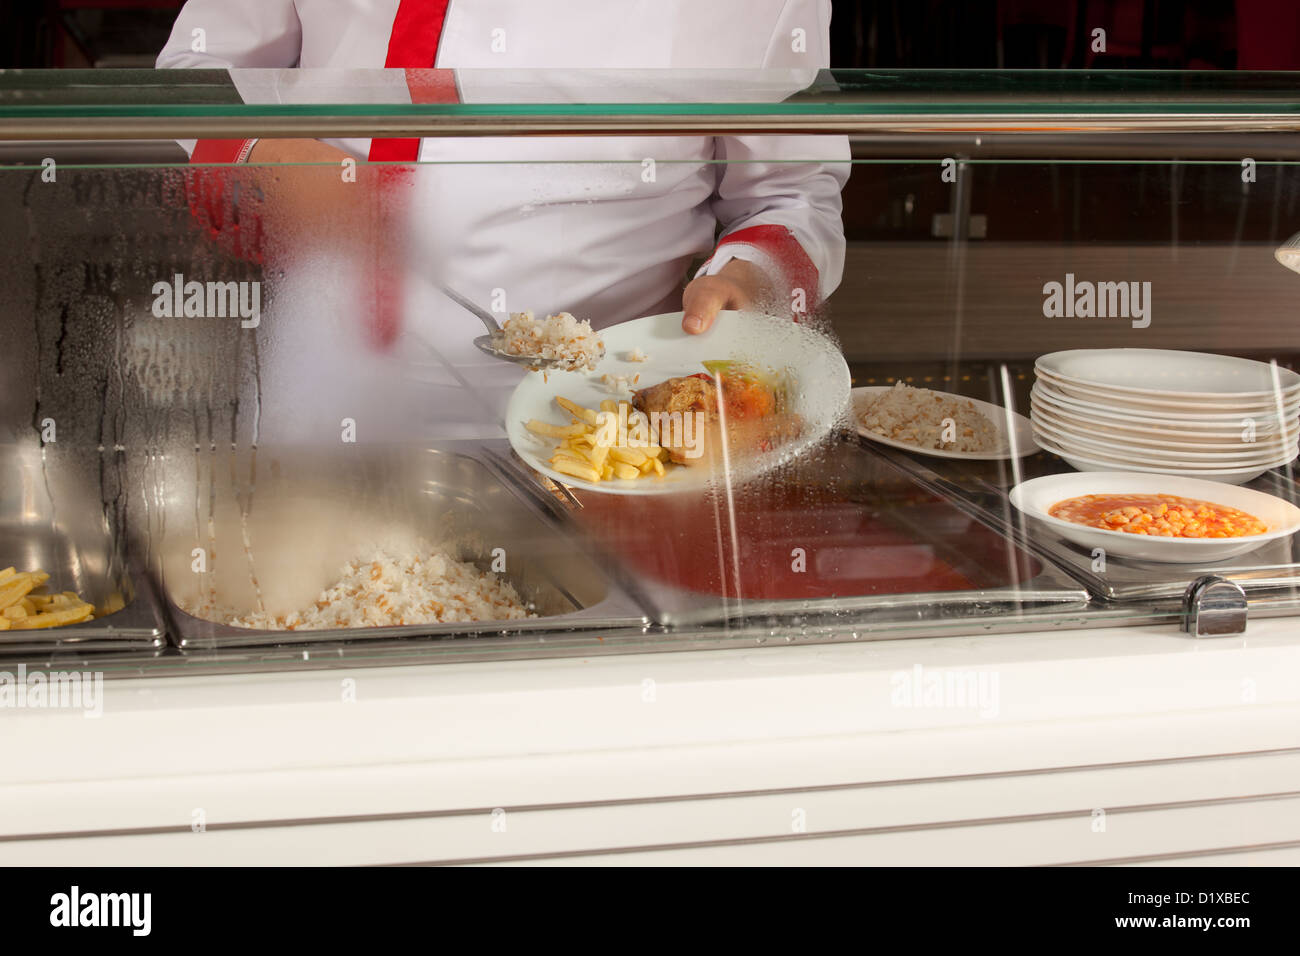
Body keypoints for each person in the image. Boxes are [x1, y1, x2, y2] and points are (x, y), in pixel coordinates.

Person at [157, 0, 849, 440]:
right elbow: (193, 70)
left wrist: (748, 279)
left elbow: (792, 194)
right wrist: (272, 157)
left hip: (619, 427)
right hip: (334, 394)